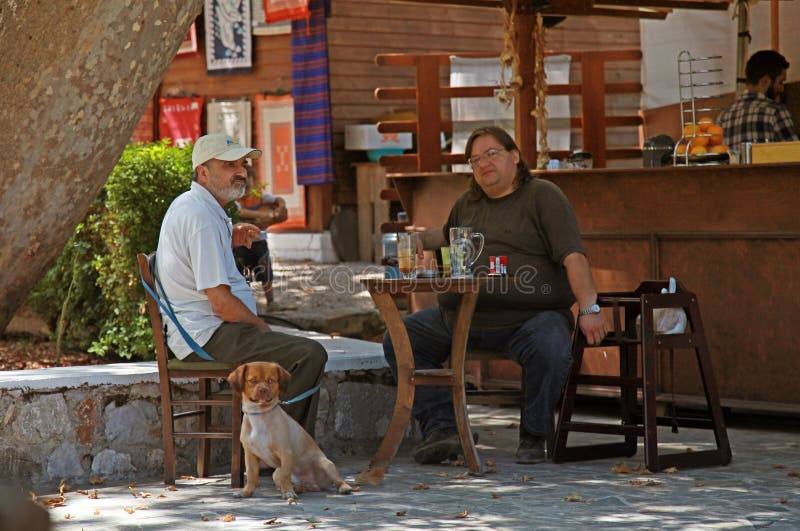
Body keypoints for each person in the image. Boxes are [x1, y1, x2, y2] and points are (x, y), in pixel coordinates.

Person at [382, 126, 606, 465]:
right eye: (475, 159)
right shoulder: (467, 203)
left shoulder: (543, 196)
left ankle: (533, 435)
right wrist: (418, 241)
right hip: (460, 319)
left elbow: (573, 256)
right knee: (399, 339)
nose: (484, 164)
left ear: (514, 156)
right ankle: (443, 429)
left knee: (551, 344)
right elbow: (445, 234)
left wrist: (590, 307)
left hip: (528, 318)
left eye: (492, 154)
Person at [155, 133, 327, 436]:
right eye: (228, 165)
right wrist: (259, 326)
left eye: (242, 164)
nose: (241, 172)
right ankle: (276, 449)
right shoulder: (200, 217)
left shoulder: (198, 207)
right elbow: (221, 304)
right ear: (203, 172)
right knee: (309, 354)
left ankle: (283, 447)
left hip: (206, 331)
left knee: (300, 350)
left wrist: (228, 236)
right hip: (208, 336)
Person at [717, 50, 798, 153]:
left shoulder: (723, 117)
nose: (782, 89)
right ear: (765, 81)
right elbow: (795, 157)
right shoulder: (775, 112)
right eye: (780, 82)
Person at [232, 165, 288, 303]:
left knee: (266, 274)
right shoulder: (235, 201)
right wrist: (263, 214)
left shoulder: (261, 198)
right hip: (241, 244)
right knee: (243, 275)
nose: (246, 190)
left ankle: (271, 302)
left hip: (259, 242)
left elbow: (279, 200)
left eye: (248, 186)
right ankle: (246, 303)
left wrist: (280, 208)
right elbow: (241, 212)